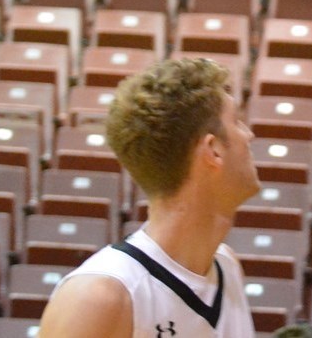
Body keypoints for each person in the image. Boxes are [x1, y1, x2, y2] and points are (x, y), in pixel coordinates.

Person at [39, 57, 259, 338]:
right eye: (237, 122)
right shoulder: (100, 297)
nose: (249, 135)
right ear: (213, 149)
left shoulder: (226, 267)